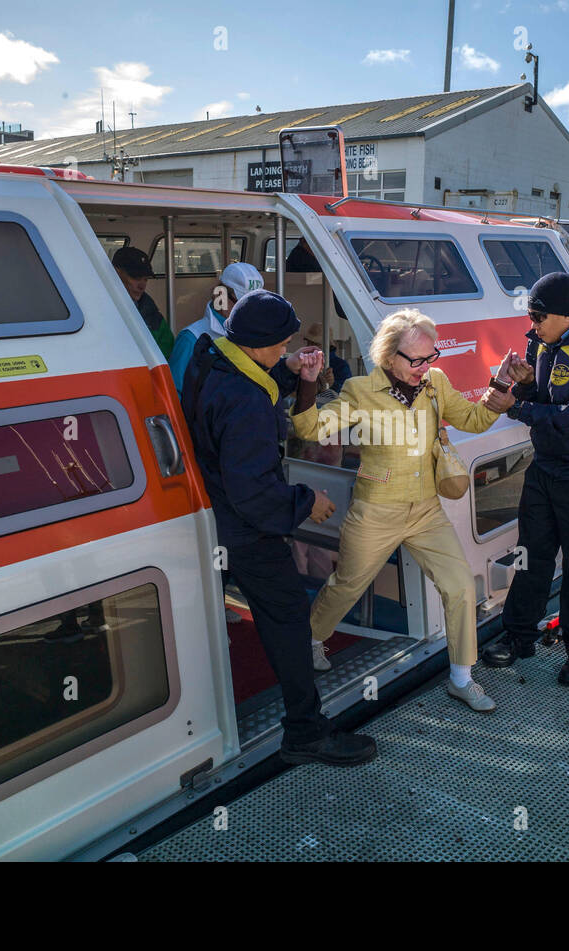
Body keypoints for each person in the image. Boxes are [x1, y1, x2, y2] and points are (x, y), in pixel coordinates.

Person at [180, 289, 377, 766]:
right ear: (261, 342)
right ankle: (306, 733)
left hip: (212, 517)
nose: (287, 349)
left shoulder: (211, 357)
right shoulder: (246, 401)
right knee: (288, 618)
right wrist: (307, 501)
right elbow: (253, 490)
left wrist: (285, 376)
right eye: (283, 344)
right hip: (246, 529)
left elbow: (245, 392)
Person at [292, 309, 503, 711]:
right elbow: (310, 429)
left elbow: (474, 420)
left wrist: (504, 389)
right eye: (416, 360)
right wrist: (306, 385)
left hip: (427, 510)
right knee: (347, 585)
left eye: (430, 358)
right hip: (375, 511)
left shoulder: (436, 383)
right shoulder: (359, 389)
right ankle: (313, 637)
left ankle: (461, 678)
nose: (425, 368)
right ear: (389, 356)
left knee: (459, 586)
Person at [480, 272, 569, 687]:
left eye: (538, 316)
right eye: (530, 315)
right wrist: (525, 385)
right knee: (530, 556)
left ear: (566, 315)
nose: (532, 325)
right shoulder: (542, 342)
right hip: (546, 469)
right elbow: (547, 400)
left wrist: (515, 408)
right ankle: (519, 636)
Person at [169, 262, 264, 395]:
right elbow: (174, 394)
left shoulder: (258, 335)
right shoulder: (190, 338)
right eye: (243, 304)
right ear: (220, 295)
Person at [113, 246, 174, 359]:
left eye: (145, 279)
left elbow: (169, 353)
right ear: (116, 273)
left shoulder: (152, 314)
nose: (142, 285)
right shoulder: (97, 310)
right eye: (135, 277)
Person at [303, 322, 352, 394]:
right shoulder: (303, 363)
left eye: (315, 344)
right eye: (308, 342)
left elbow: (347, 398)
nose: (310, 347)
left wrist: (333, 384)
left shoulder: (341, 366)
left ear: (327, 345)